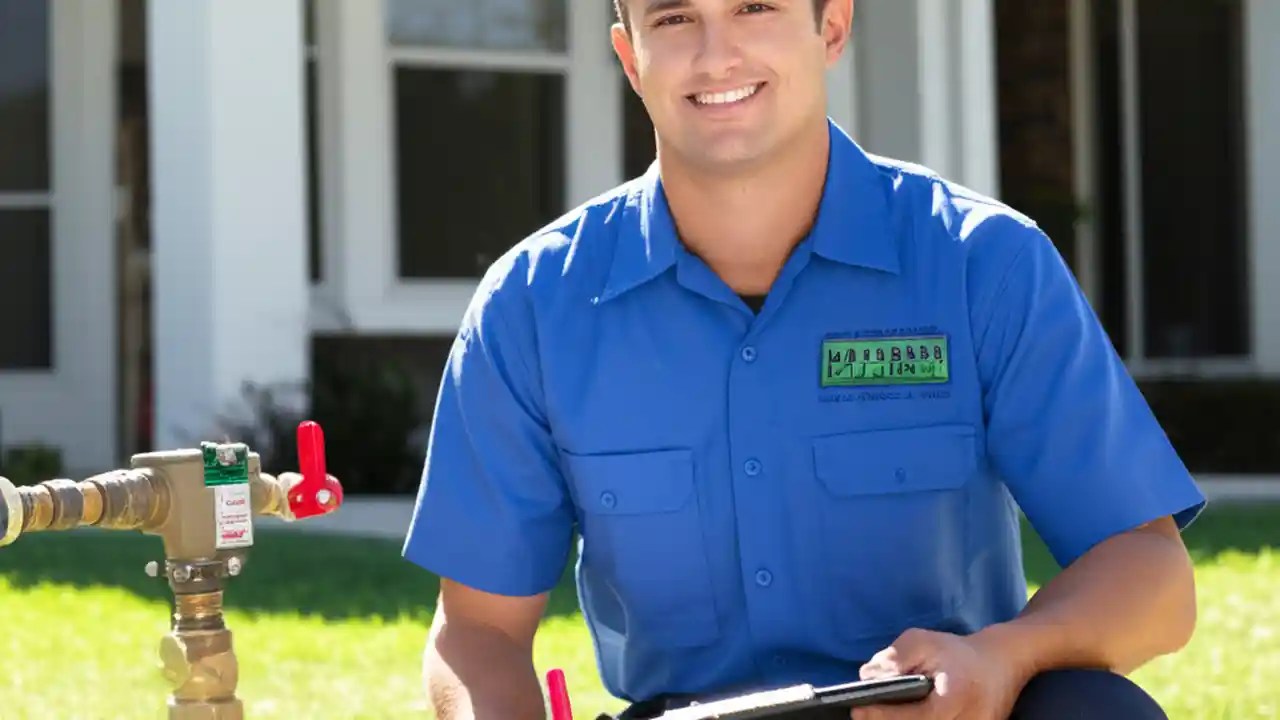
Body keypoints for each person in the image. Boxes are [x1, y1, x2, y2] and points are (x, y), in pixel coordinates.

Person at [401, 0, 1207, 717]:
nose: (717, 56)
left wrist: (1004, 655)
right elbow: (477, 631)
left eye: (756, 8)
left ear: (832, 27)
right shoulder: (534, 306)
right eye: (675, 19)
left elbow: (1148, 573)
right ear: (629, 56)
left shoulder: (982, 265)